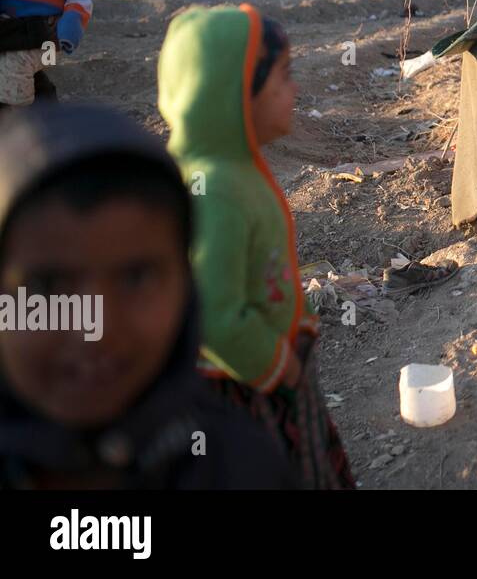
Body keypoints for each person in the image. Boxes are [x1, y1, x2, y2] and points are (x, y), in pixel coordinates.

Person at [0, 103, 296, 488]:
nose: (98, 329)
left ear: (186, 289)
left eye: (135, 278)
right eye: (47, 286)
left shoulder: (237, 466)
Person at [157, 3, 355, 488]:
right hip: (243, 389)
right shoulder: (214, 189)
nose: (296, 90)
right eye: (285, 77)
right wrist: (277, 364)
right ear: (235, 96)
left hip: (270, 374)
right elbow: (212, 312)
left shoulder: (239, 167)